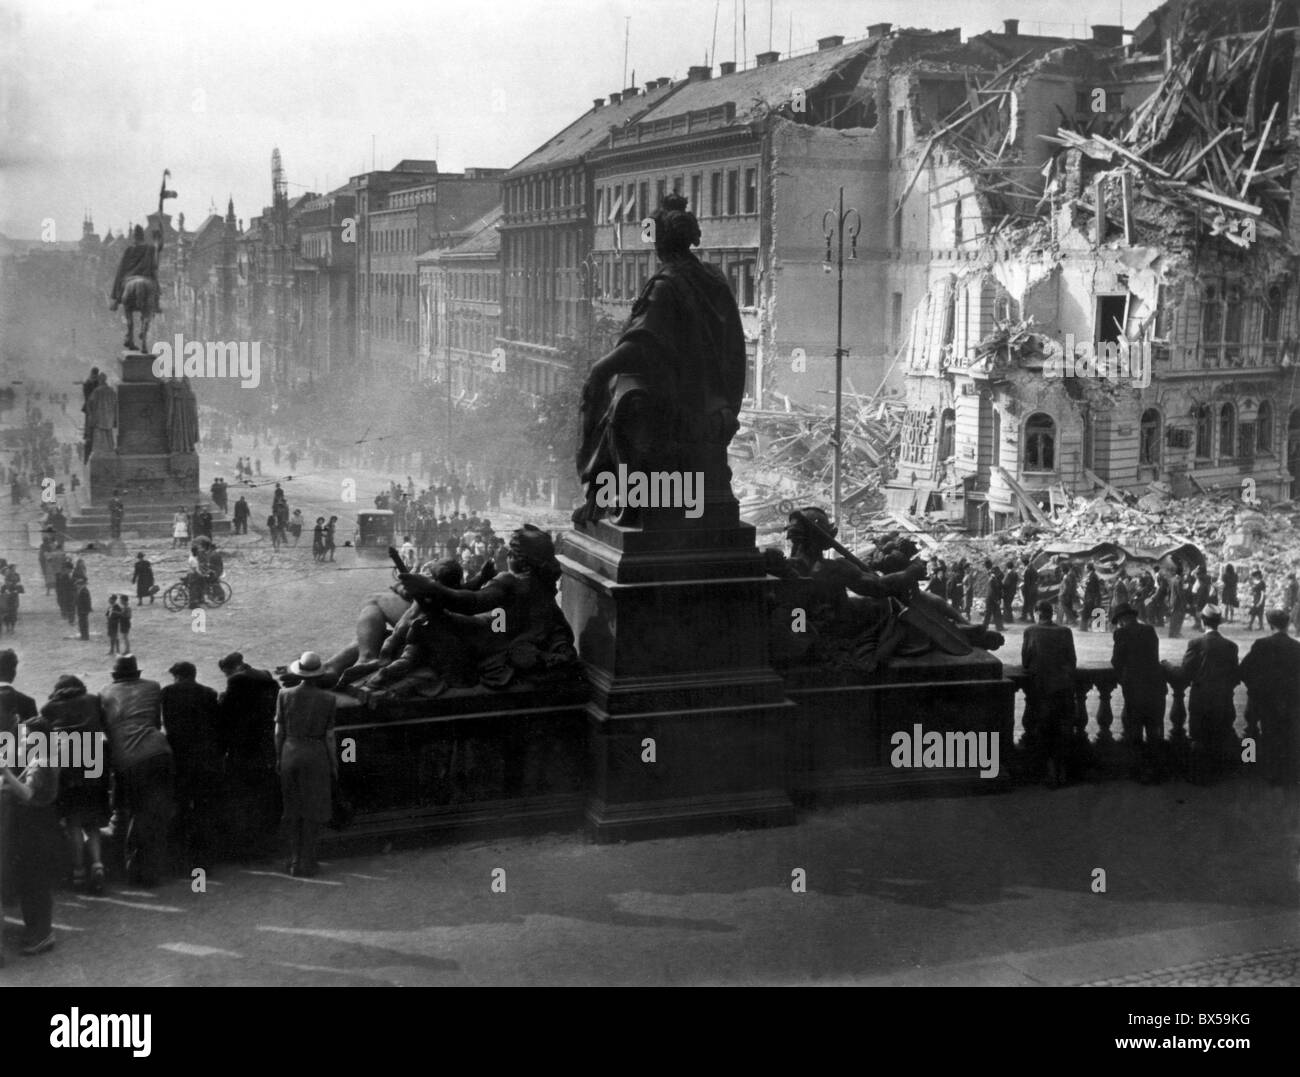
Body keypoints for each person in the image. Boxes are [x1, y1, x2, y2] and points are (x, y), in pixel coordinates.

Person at [99, 655, 174, 886]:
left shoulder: (105, 693)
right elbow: (156, 722)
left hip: (129, 760)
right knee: (155, 813)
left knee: (133, 813)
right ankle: (153, 869)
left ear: (114, 675)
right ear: (138, 673)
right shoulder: (153, 686)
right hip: (160, 752)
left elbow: (106, 729)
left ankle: (135, 872)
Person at [34, 674, 109, 894]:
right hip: (94, 762)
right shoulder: (93, 700)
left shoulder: (49, 708)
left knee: (74, 822)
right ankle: (97, 865)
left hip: (69, 767)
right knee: (93, 821)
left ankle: (78, 873)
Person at [274, 652, 338, 877]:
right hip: (316, 754)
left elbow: (279, 731)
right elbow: (329, 737)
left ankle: (293, 860)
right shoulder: (329, 699)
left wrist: (279, 757)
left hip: (290, 751)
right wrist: (334, 763)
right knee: (314, 809)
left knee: (292, 808)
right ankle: (308, 861)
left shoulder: (284, 694)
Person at [0, 737, 62, 956]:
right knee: (31, 884)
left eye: (28, 738)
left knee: (36, 885)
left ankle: (43, 935)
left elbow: (27, 793)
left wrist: (5, 773)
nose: (23, 742)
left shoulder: (41, 763)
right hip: (38, 832)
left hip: (38, 832)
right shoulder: (39, 760)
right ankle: (36, 931)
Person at [216, 652, 280, 859]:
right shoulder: (265, 675)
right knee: (265, 799)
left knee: (243, 799)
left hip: (244, 748)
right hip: (266, 744)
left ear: (230, 669)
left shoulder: (237, 681)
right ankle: (267, 848)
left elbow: (227, 714)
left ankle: (245, 849)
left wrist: (222, 699)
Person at [160, 661, 223, 862]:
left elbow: (168, 725)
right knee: (204, 809)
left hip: (180, 759)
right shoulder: (210, 693)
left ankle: (179, 856)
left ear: (178, 676)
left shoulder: (168, 692)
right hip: (205, 759)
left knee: (180, 807)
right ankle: (202, 858)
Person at [1239, 609, 1300, 790]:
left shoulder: (1261, 644)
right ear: (1287, 625)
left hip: (1262, 698)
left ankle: (1247, 764)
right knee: (1286, 734)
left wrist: (1255, 688)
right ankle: (1285, 770)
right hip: (1289, 701)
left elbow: (1244, 670)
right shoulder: (1297, 647)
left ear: (1270, 624)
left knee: (1249, 730)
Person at [1178, 606, 1239, 785]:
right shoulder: (1231, 646)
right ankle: (1220, 775)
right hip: (1223, 699)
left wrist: (1165, 666)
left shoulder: (1196, 644)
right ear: (1219, 622)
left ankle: (1199, 776)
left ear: (1203, 621)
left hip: (1201, 698)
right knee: (1220, 735)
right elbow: (1235, 675)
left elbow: (1183, 673)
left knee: (1198, 736)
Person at [1022, 600, 1078, 787]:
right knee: (1063, 731)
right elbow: (1072, 659)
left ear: (1038, 613)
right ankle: (1063, 773)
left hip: (1043, 689)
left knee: (1044, 731)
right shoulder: (1065, 632)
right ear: (1052, 613)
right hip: (1063, 688)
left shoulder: (1031, 631)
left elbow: (1026, 660)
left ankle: (1050, 773)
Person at [1110, 604, 1166, 783]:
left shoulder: (1121, 633)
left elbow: (1116, 661)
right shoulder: (1149, 630)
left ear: (1122, 619)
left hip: (1134, 689)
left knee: (1134, 731)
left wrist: (1122, 677)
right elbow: (1154, 657)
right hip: (1155, 687)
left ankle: (1137, 772)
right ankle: (1155, 772)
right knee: (1153, 731)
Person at [980, 560, 1004, 632]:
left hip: (991, 596)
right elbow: (994, 588)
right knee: (993, 612)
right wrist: (997, 598)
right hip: (992, 596)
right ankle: (997, 627)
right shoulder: (993, 576)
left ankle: (987, 626)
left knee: (992, 612)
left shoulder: (992, 573)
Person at [1081, 563, 1102, 630]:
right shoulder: (1091, 575)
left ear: (1088, 568)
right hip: (1090, 597)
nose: (1084, 569)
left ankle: (1084, 628)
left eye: (1085, 567)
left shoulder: (1092, 576)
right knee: (1091, 613)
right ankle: (1085, 628)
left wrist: (1091, 598)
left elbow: (1093, 589)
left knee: (1087, 613)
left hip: (1091, 598)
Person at [1020, 557, 1039, 622]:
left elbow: (1026, 581)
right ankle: (1024, 616)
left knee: (1028, 603)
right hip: (1034, 587)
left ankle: (1031, 618)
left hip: (1028, 589)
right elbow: (1036, 578)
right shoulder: (1034, 568)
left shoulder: (1028, 570)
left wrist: (1024, 588)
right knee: (1029, 603)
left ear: (1024, 564)